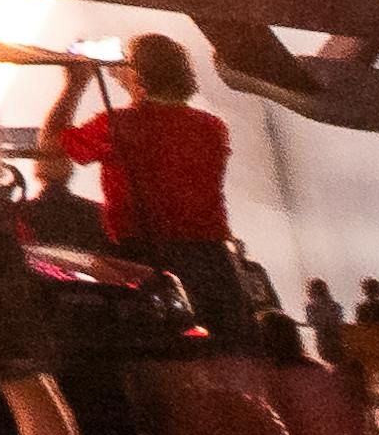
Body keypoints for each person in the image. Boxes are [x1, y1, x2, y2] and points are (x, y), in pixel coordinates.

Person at [46, 28, 237, 265]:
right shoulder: (212, 127)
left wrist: (74, 85)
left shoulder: (119, 125)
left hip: (147, 256)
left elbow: (52, 143)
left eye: (126, 62)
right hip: (211, 257)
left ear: (139, 76)